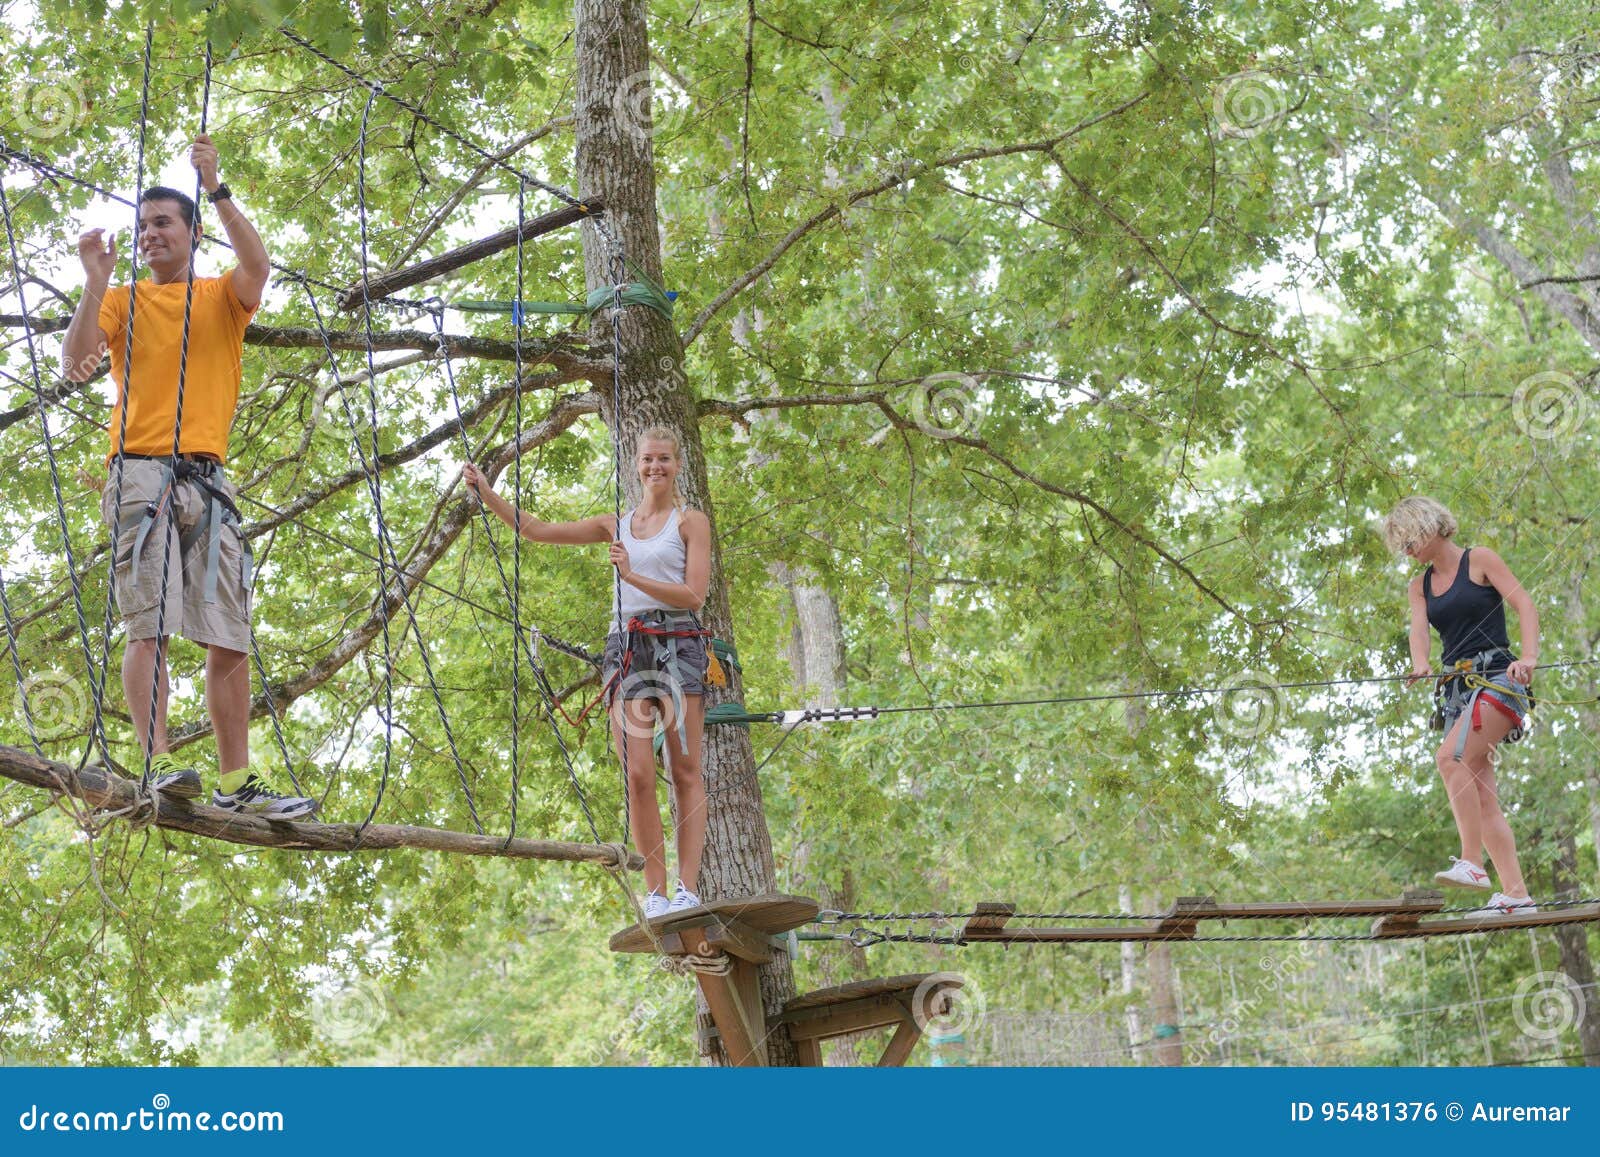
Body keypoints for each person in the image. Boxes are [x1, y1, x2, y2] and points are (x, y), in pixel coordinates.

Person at [59, 135, 315, 819]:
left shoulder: (220, 296)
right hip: (142, 475)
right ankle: (158, 761)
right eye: (142, 227)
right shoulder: (119, 302)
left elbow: (258, 266)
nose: (150, 235)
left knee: (229, 632)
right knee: (150, 622)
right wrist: (92, 280)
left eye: (163, 223)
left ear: (193, 231)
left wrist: (217, 187)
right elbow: (75, 363)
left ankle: (239, 780)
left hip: (209, 481)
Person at [462, 428, 712, 918]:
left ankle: (688, 887)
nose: (654, 467)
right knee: (638, 774)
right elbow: (535, 529)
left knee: (683, 770)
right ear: (635, 465)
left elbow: (694, 596)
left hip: (677, 646)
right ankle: (656, 894)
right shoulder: (613, 525)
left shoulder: (689, 522)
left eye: (664, 459)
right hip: (628, 651)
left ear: (677, 466)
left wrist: (633, 576)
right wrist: (487, 492)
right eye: (647, 459)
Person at [1383, 497, 1536, 914]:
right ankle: (1518, 895)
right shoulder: (1419, 586)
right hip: (1457, 691)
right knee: (1482, 797)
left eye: (1408, 537)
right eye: (1400, 543)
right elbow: (1419, 632)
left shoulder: (1480, 560)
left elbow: (1524, 604)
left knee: (1449, 758)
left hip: (1499, 680)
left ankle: (1472, 862)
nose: (1406, 549)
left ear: (1430, 526)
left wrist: (1529, 658)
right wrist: (1420, 663)